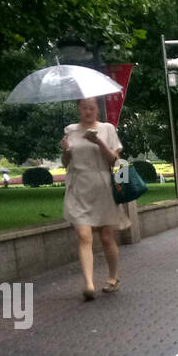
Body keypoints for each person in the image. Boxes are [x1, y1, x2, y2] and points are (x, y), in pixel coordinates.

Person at [60, 97, 122, 300]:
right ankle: (88, 284)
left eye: (92, 108)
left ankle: (113, 278)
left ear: (97, 109)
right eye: (84, 108)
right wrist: (65, 150)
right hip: (78, 187)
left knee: (106, 237)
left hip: (101, 186)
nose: (88, 111)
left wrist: (98, 142)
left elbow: (114, 160)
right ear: (79, 108)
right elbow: (66, 162)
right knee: (84, 235)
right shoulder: (70, 130)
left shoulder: (107, 129)